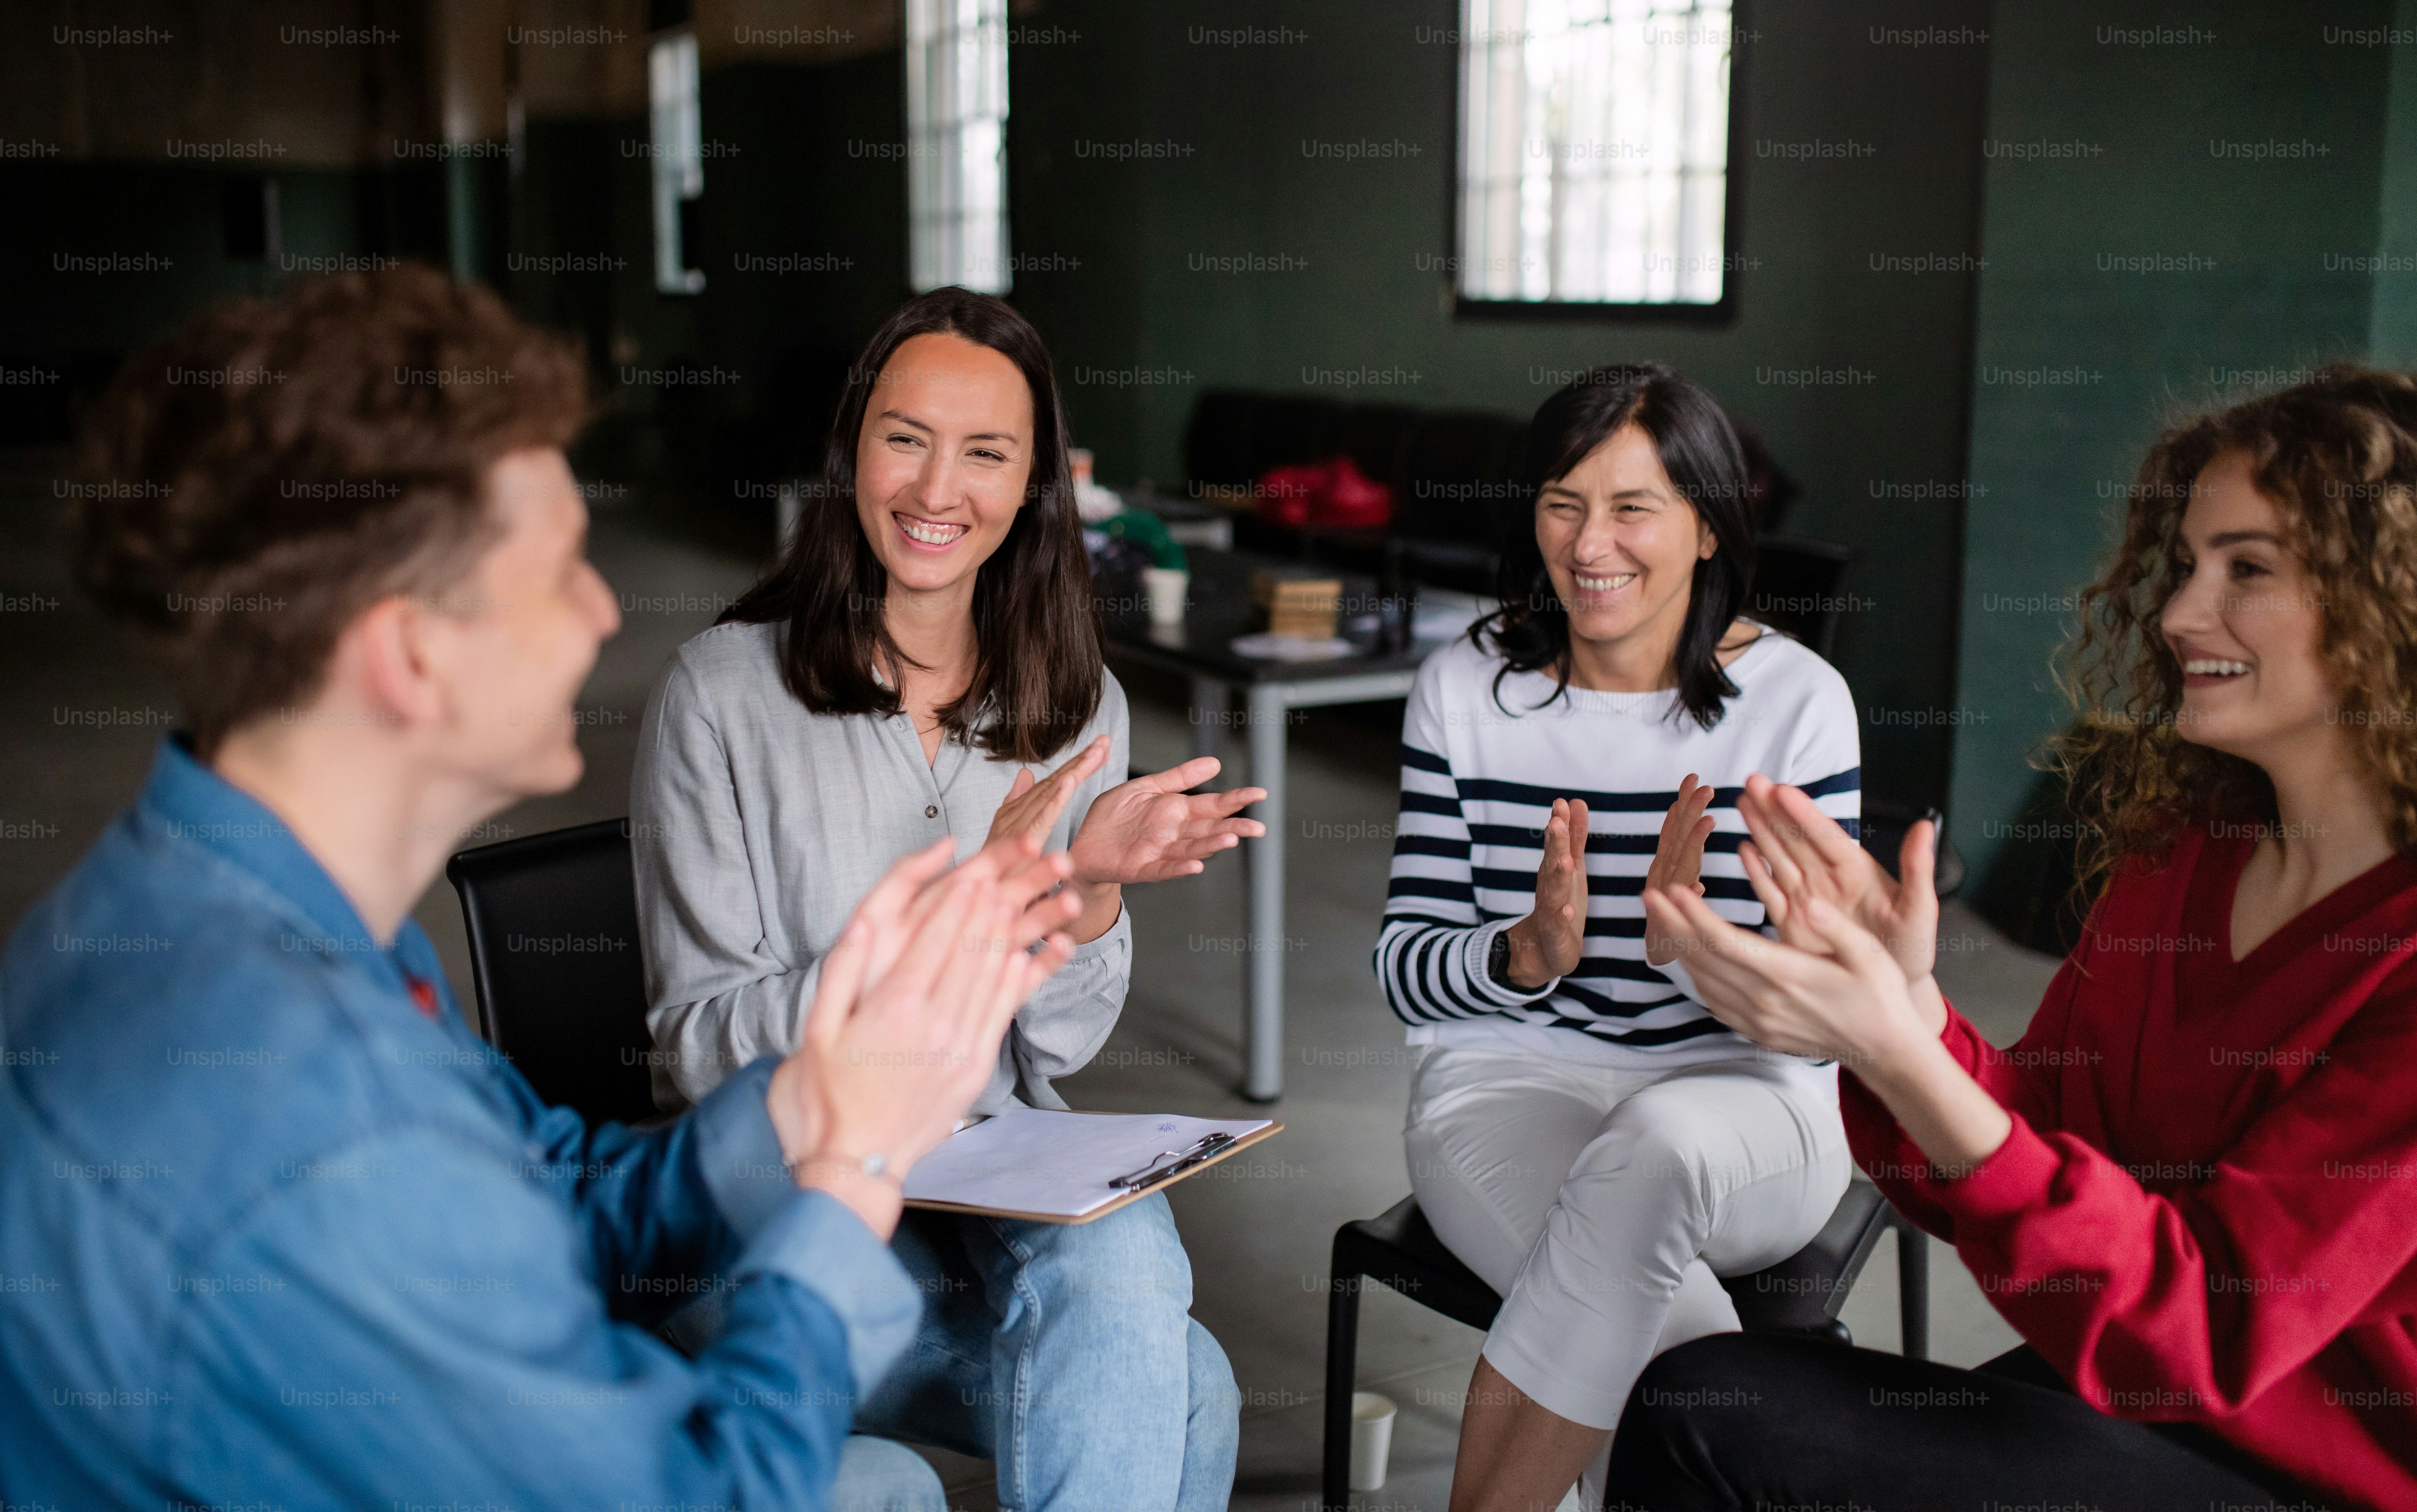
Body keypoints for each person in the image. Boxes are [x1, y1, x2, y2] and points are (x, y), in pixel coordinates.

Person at [0, 265, 1086, 1511]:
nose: (601, 606)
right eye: (563, 567)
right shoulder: (326, 1104)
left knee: (884, 1482)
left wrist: (808, 1099)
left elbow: (541, 1190)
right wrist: (850, 1181)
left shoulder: (227, 907)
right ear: (411, 653)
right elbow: (701, 1495)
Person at [1618, 366, 2417, 1511]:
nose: (2182, 613)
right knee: (1730, 1399)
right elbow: (2040, 1133)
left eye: (2248, 569)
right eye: (2185, 565)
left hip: (2313, 1472)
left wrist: (1900, 1050)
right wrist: (1905, 1010)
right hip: (2137, 1400)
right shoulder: (2184, 853)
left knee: (1705, 1415)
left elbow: (2197, 1325)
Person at [630, 287, 1256, 1512]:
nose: (935, 491)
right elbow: (697, 1052)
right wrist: (945, 926)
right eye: (906, 438)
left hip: (984, 1170)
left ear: (1035, 485)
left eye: (987, 453)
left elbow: (1057, 1040)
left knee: (1134, 1264)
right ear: (852, 447)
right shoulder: (718, 694)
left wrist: (1080, 897)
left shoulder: (1078, 708)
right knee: (1190, 1384)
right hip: (776, 1200)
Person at [1371, 364, 1861, 1512]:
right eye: (1562, 501)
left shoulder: (1798, 702)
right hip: (1503, 1082)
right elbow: (1405, 966)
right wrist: (1522, 954)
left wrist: (1692, 948)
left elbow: (1832, 1006)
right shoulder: (1464, 689)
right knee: (1677, 1340)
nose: (1591, 544)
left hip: (1750, 1101)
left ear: (1705, 524)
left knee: (1652, 1146)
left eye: (1633, 507)